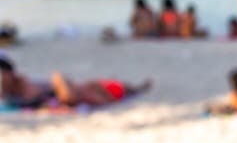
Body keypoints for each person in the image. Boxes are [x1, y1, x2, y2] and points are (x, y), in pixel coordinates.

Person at [1, 53, 150, 108]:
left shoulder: (19, 82)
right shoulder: (14, 86)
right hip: (63, 92)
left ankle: (135, 89)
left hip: (61, 91)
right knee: (92, 88)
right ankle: (135, 89)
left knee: (92, 87)